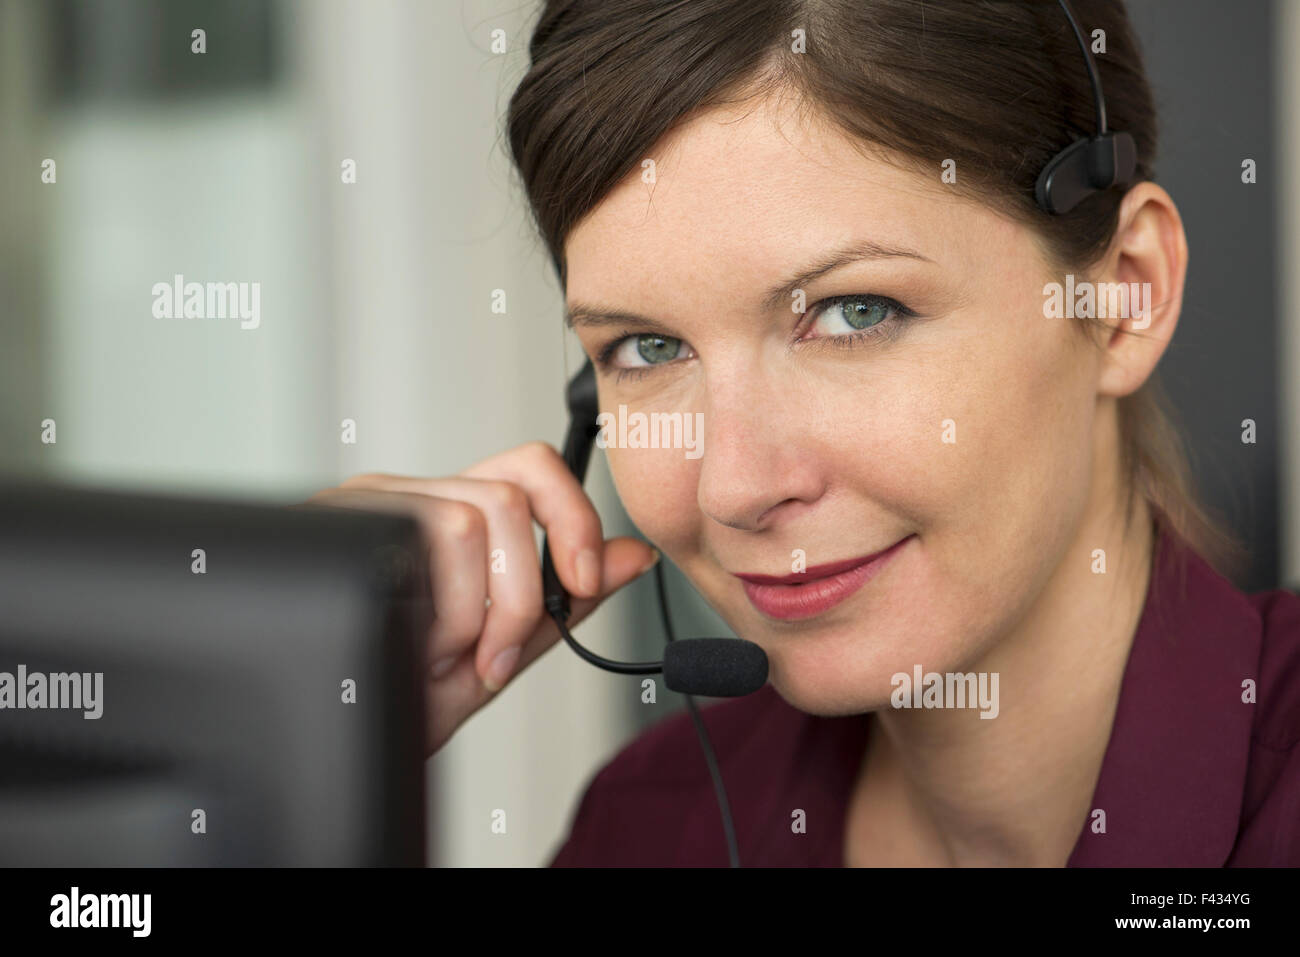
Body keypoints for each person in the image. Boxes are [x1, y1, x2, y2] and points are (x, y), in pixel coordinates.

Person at [307, 0, 1300, 865]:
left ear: (1124, 292)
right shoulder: (651, 830)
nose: (731, 488)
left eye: (853, 312)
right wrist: (303, 762)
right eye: (647, 347)